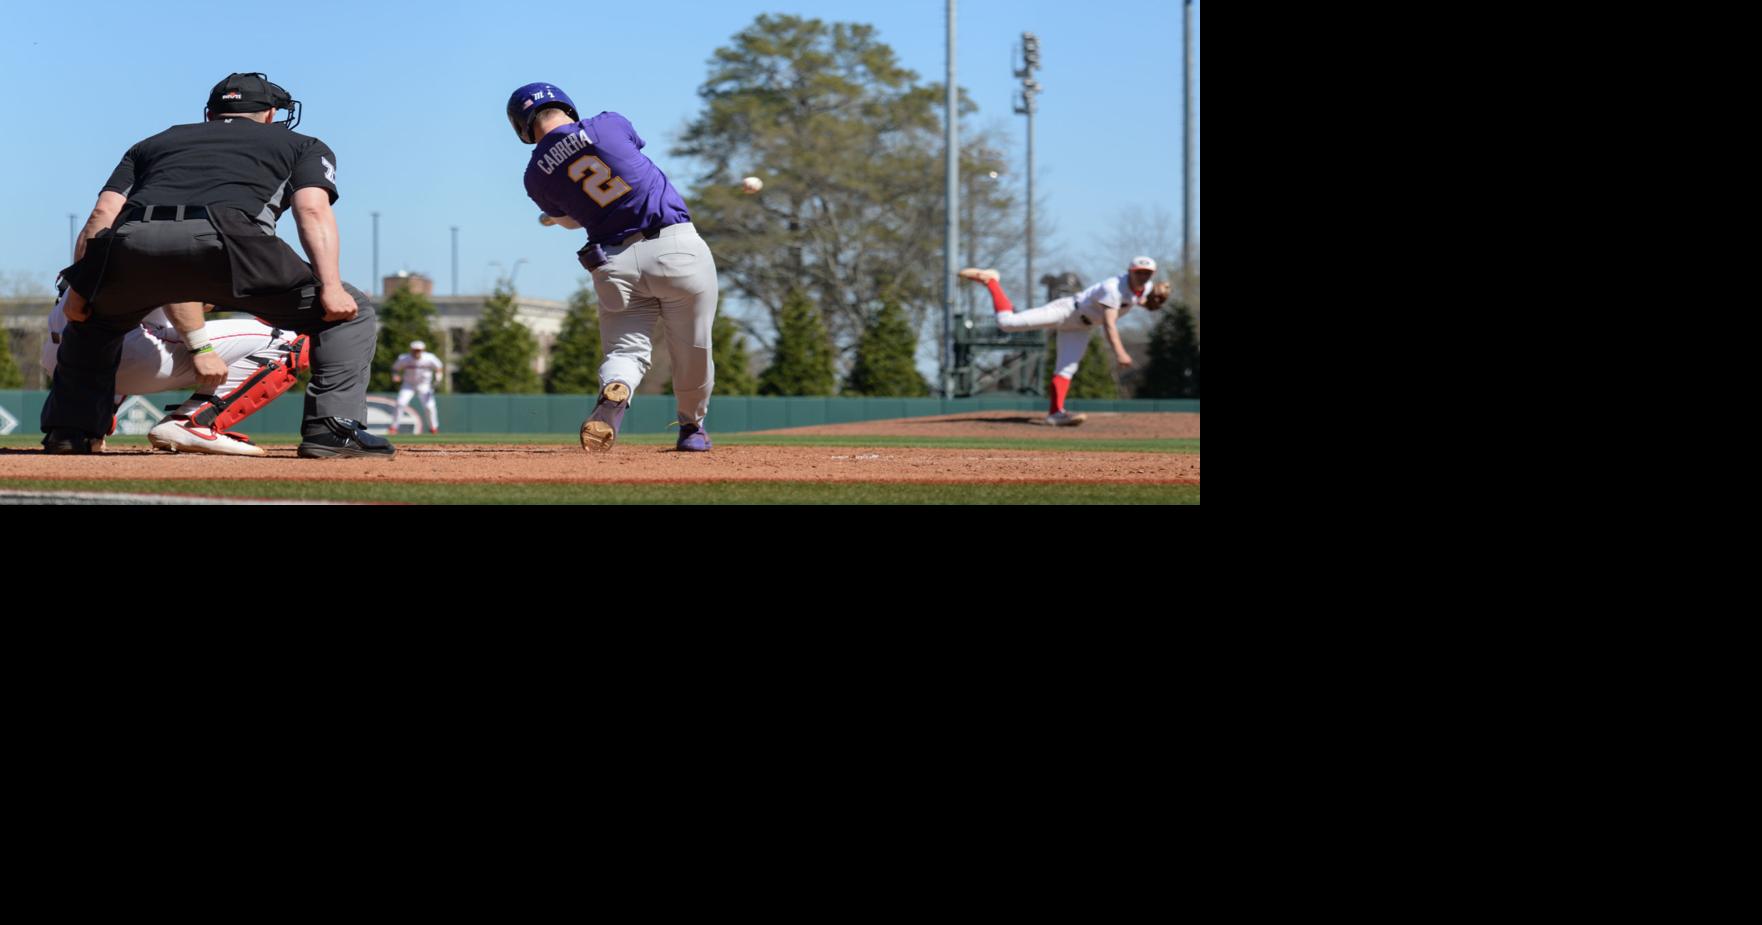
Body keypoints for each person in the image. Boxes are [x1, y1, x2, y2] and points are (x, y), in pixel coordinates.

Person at [42, 72, 392, 459]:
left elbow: (103, 214)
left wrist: (81, 289)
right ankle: (333, 430)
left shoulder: (152, 143)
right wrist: (330, 287)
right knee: (349, 312)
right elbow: (311, 209)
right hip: (230, 240)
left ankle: (70, 432)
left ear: (210, 113)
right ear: (271, 114)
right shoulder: (302, 144)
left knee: (93, 321)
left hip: (133, 242)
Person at [509, 82, 718, 453]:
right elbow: (625, 161)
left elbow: (572, 220)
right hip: (676, 248)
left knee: (624, 351)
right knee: (692, 349)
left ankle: (616, 386)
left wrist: (556, 217)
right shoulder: (608, 123)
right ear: (566, 107)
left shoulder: (534, 176)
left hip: (614, 263)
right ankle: (692, 430)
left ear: (522, 127)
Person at [42, 288, 314, 457]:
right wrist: (201, 349)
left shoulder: (110, 221)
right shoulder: (180, 223)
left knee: (114, 322)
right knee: (288, 339)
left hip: (62, 358)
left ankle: (83, 428)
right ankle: (193, 422)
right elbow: (181, 294)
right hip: (130, 357)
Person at [960, 257, 1172, 426]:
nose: (1143, 276)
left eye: (1147, 273)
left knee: (1066, 369)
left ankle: (1055, 414)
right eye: (1139, 272)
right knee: (1007, 323)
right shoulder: (1112, 288)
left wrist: (1146, 304)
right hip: (1067, 311)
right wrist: (1120, 352)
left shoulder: (1145, 287)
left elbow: (1136, 298)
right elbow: (1109, 324)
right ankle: (992, 281)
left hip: (1082, 327)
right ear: (1130, 271)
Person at [391, 340, 444, 434]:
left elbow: (439, 367)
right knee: (400, 403)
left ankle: (434, 428)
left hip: (424, 385)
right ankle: (393, 428)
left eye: (419, 350)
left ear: (423, 350)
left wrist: (438, 377)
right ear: (411, 350)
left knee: (429, 406)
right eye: (415, 350)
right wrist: (395, 375)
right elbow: (395, 368)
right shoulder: (404, 358)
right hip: (408, 385)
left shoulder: (430, 357)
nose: (417, 352)